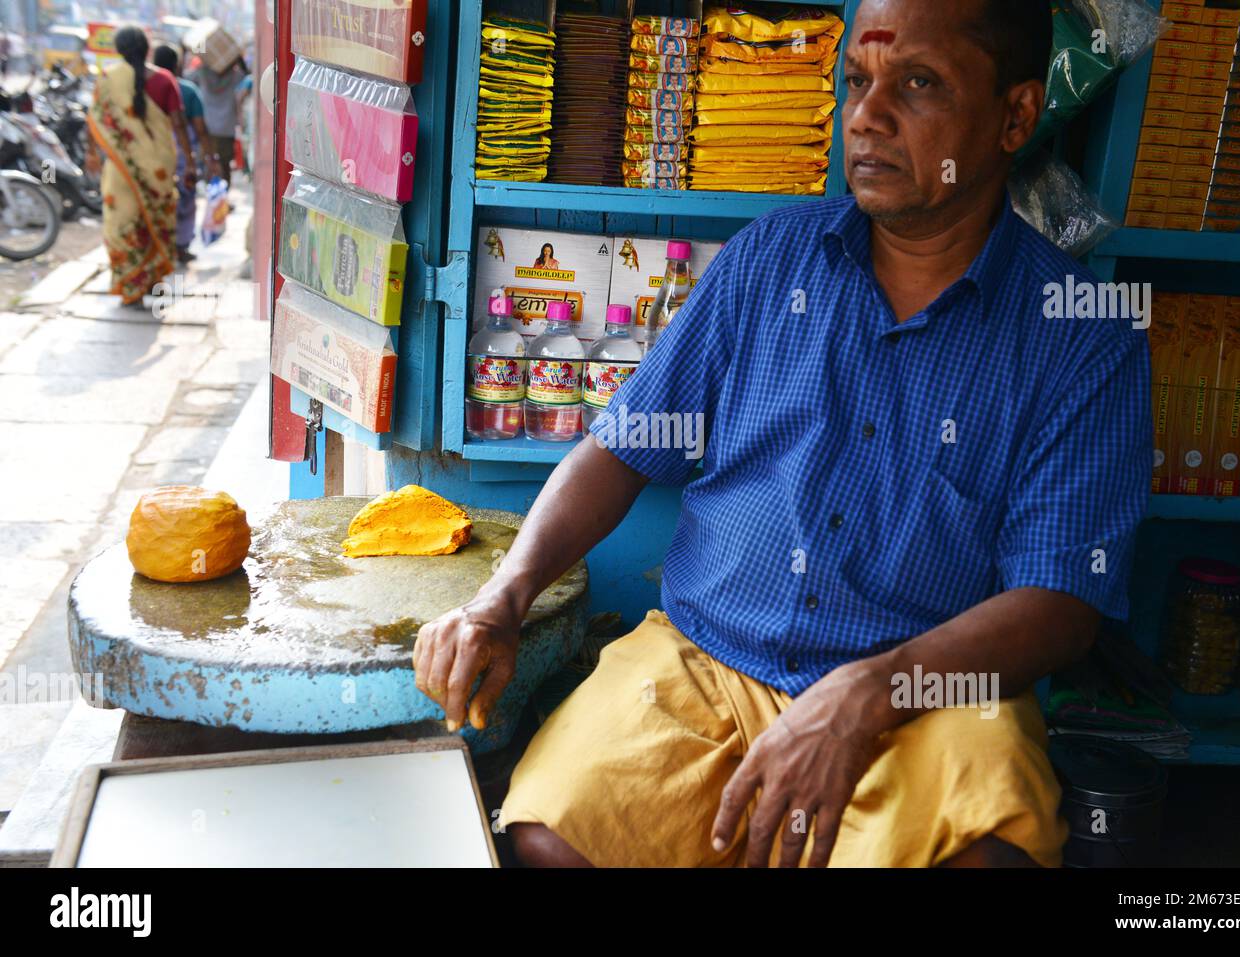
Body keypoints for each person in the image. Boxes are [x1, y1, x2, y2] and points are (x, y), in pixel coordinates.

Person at [414, 0, 1152, 868]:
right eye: (857, 82)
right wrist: (503, 596)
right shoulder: (769, 259)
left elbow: (1062, 606)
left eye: (917, 84)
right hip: (707, 664)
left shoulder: (1082, 332)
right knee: (549, 837)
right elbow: (618, 451)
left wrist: (872, 691)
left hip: (928, 695)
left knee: (984, 858)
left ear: (1016, 116)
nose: (867, 117)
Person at [87, 26, 194, 307]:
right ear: (147, 48)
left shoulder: (108, 79)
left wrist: (92, 155)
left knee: (122, 224)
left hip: (121, 169)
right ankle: (152, 283)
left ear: (119, 50)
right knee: (155, 221)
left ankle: (129, 285)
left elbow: (95, 121)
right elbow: (179, 125)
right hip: (158, 167)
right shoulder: (165, 79)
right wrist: (191, 162)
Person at [152, 43, 221, 264]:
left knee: (157, 199)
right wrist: (210, 158)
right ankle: (180, 247)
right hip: (183, 158)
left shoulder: (146, 87)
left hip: (152, 155)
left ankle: (158, 247)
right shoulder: (188, 91)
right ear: (178, 64)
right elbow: (200, 129)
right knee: (185, 200)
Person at [192, 54, 248, 183]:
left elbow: (188, 78)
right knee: (225, 164)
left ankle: (211, 194)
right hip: (226, 128)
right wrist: (237, 58)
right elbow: (246, 77)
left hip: (206, 127)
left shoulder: (202, 72)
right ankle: (223, 197)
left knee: (208, 162)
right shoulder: (236, 75)